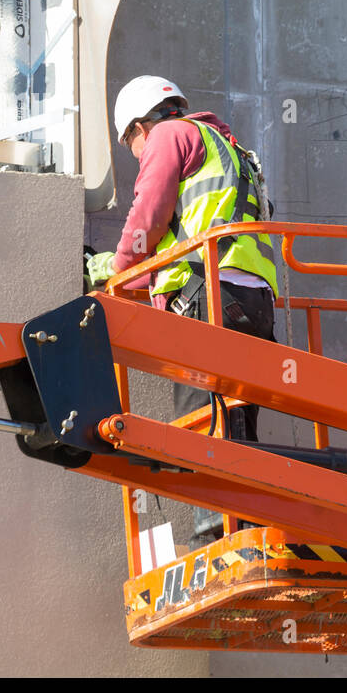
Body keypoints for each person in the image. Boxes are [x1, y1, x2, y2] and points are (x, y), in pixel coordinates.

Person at [87, 75, 277, 451]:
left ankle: (220, 512)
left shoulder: (167, 135)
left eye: (131, 145)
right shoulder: (230, 148)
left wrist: (114, 268)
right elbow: (181, 248)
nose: (138, 154)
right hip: (251, 305)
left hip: (210, 298)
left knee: (205, 438)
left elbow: (148, 215)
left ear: (139, 127)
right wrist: (132, 278)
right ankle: (246, 511)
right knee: (238, 435)